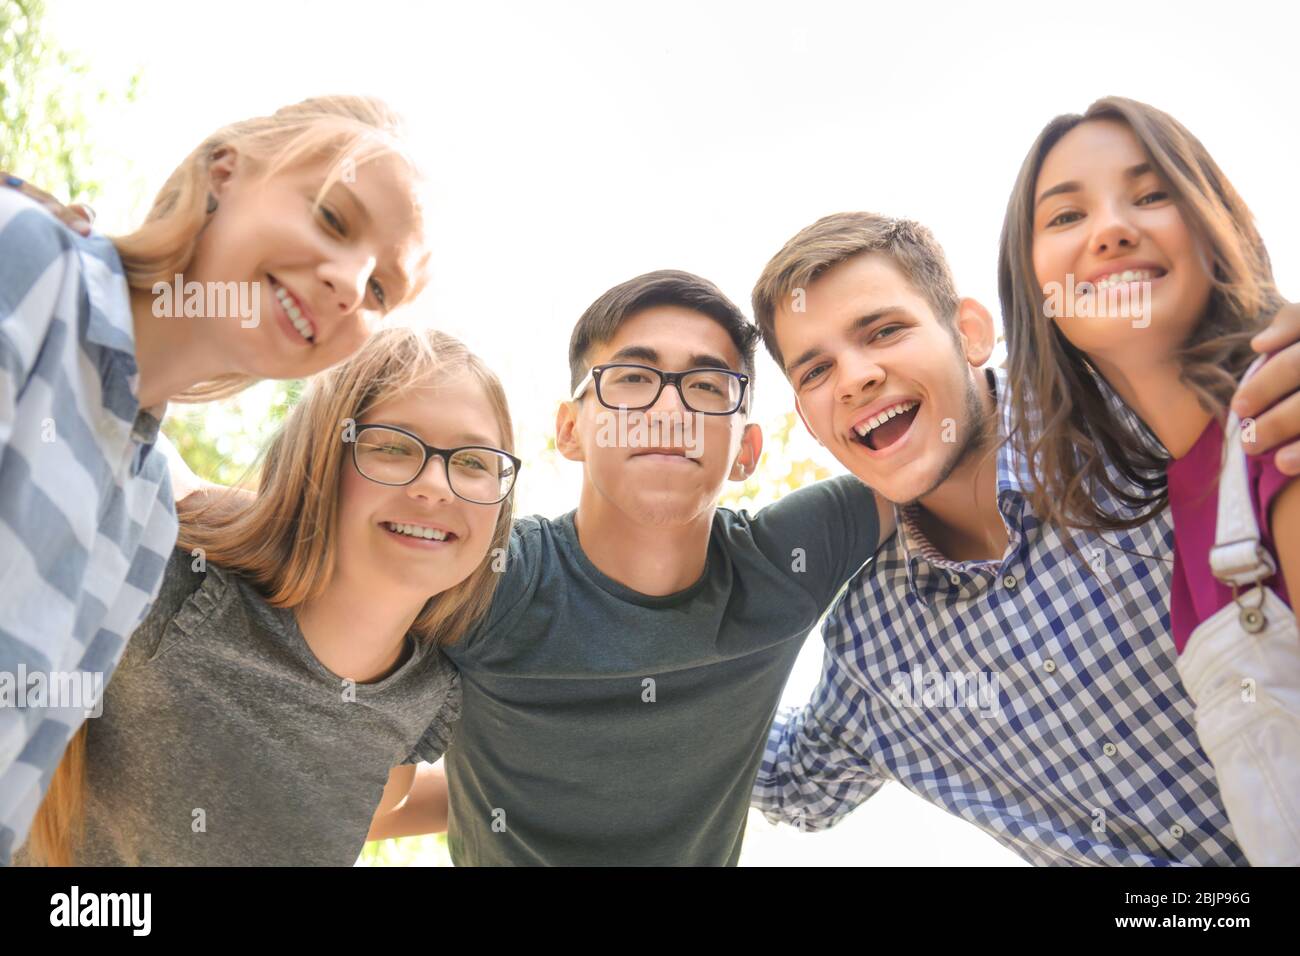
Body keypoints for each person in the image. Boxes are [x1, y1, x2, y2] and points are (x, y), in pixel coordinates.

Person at [749, 201, 1300, 865]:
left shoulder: (1138, 415)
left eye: (884, 331)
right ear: (808, 419)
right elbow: (793, 784)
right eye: (815, 370)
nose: (855, 378)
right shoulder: (873, 646)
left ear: (971, 332)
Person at [0, 94, 431, 863]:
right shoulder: (27, 265)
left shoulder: (141, 517)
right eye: (334, 219)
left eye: (380, 292)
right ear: (224, 173)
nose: (348, 283)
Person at [18, 327, 515, 865]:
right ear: (319, 459)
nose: (437, 484)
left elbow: (332, 811)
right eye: (393, 447)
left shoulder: (428, 693)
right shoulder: (174, 585)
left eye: (473, 461)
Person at [1000, 96, 1299, 864]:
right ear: (1037, 296)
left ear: (1214, 226)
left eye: (1152, 193)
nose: (1110, 228)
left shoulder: (1281, 425)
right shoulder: (1187, 493)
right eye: (1065, 217)